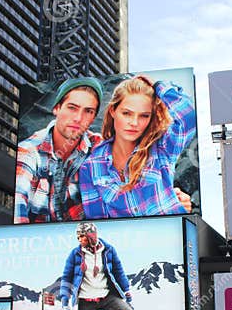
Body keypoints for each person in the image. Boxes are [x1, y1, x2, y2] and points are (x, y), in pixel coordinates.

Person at [78, 75, 196, 219]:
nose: (134, 122)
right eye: (127, 113)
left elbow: (189, 117)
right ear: (113, 111)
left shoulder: (163, 147)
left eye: (144, 116)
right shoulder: (90, 166)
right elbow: (99, 220)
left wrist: (158, 86)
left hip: (174, 233)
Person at [15, 77, 105, 223]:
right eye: (72, 108)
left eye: (88, 111)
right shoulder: (28, 152)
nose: (78, 118)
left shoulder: (99, 148)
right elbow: (18, 216)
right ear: (56, 108)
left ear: (93, 118)